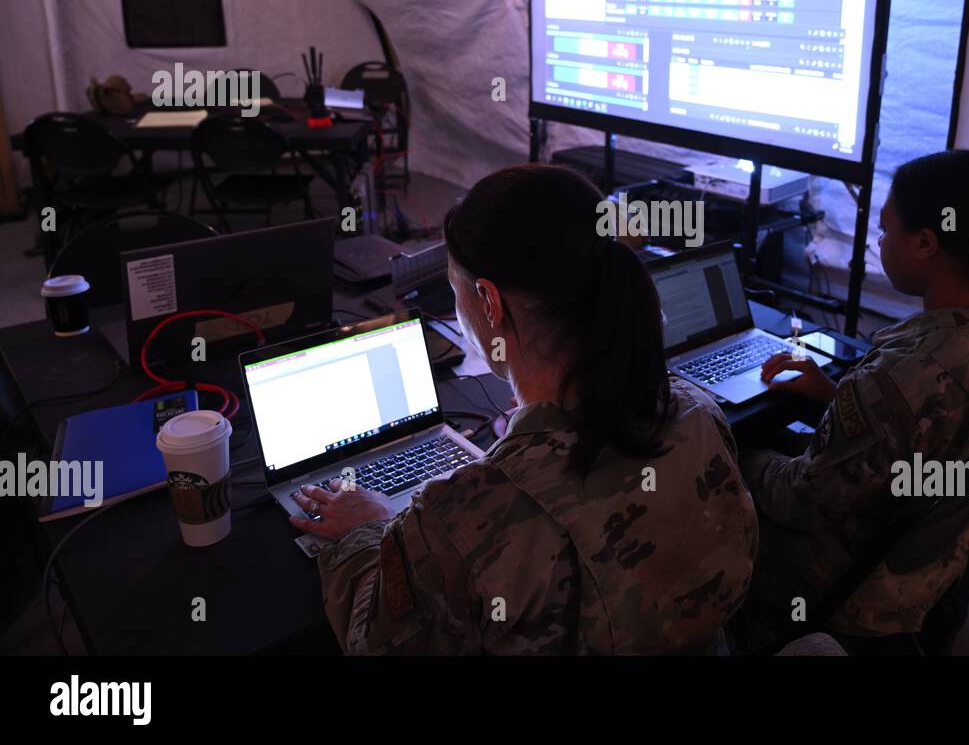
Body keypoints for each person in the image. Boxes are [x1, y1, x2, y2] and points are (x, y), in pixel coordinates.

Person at [291, 164, 758, 654]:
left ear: (489, 302)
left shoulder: (465, 511)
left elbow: (373, 641)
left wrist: (367, 534)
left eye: (455, 294)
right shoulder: (698, 414)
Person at [739, 150, 969, 650]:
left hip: (855, 589)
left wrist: (736, 452)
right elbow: (926, 421)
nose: (879, 241)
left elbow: (800, 502)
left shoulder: (897, 382)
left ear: (927, 244)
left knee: (711, 473)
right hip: (934, 557)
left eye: (886, 230)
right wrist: (838, 399)